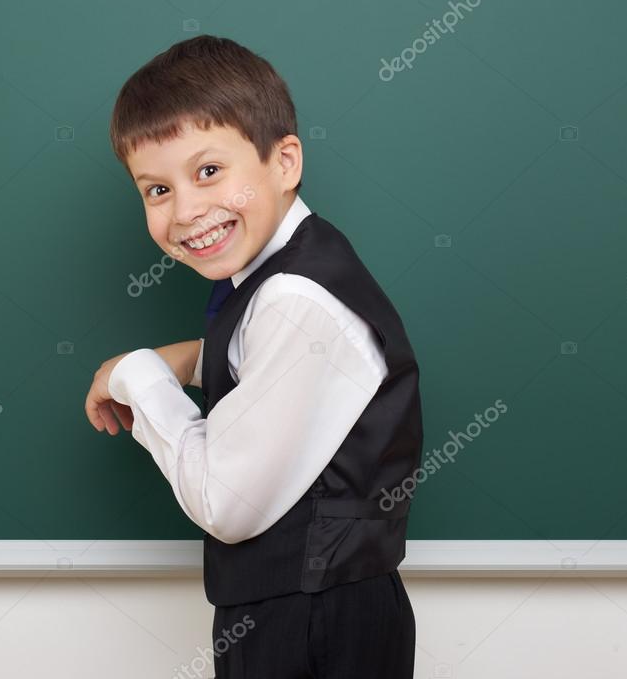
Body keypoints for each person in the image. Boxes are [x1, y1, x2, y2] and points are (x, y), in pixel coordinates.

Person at [84, 35, 423, 678]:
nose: (186, 210)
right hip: (305, 615)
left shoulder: (296, 299)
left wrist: (138, 375)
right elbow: (266, 357)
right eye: (156, 190)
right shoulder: (289, 275)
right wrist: (193, 357)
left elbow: (227, 504)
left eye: (208, 172)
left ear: (285, 161)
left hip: (311, 623)